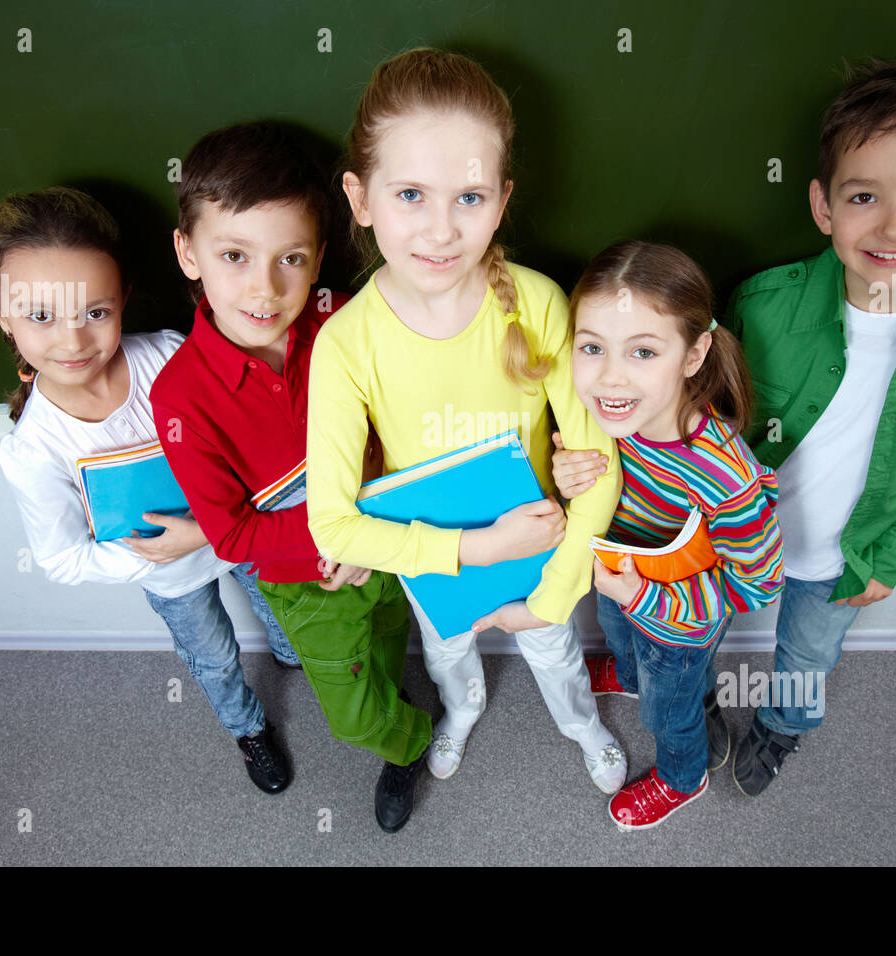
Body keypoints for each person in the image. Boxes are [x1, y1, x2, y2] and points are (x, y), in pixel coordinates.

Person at [567, 59, 896, 797]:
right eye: (864, 195)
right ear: (823, 205)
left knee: (807, 660)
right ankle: (699, 703)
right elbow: (698, 411)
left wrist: (894, 551)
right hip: (722, 542)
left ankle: (781, 730)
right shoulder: (765, 306)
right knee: (694, 639)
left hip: (844, 556)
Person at [305, 48, 629, 802]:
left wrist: (556, 589)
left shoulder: (540, 301)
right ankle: (463, 709)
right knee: (449, 654)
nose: (442, 231)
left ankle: (584, 727)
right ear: (360, 197)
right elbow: (334, 527)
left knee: (556, 655)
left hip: (543, 557)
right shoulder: (346, 343)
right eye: (411, 194)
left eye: (471, 197)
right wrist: (477, 548)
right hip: (433, 561)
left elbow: (598, 458)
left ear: (504, 198)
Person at [151, 121, 433, 834]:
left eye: (291, 259)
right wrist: (333, 546)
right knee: (351, 715)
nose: (264, 287)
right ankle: (408, 745)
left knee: (392, 635)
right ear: (189, 253)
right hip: (304, 581)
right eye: (234, 256)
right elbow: (234, 532)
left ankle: (399, 690)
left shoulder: (345, 319)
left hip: (389, 537)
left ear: (319, 259)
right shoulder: (182, 394)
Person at [0, 186, 297, 797]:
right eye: (41, 317)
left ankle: (292, 653)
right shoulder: (33, 449)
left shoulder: (169, 357)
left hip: (243, 536)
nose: (72, 342)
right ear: (0, 312)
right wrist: (158, 549)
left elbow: (242, 445)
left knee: (280, 606)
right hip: (169, 574)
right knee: (211, 656)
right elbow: (62, 559)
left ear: (123, 299)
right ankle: (247, 729)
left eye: (94, 313)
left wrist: (217, 527)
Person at [554, 240, 783, 829]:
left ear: (693, 353)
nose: (610, 377)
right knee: (618, 637)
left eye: (643, 352)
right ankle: (628, 674)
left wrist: (645, 599)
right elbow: (587, 491)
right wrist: (564, 472)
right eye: (593, 347)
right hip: (619, 594)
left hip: (679, 622)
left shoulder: (720, 472)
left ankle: (685, 777)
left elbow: (756, 585)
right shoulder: (600, 418)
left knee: (668, 711)